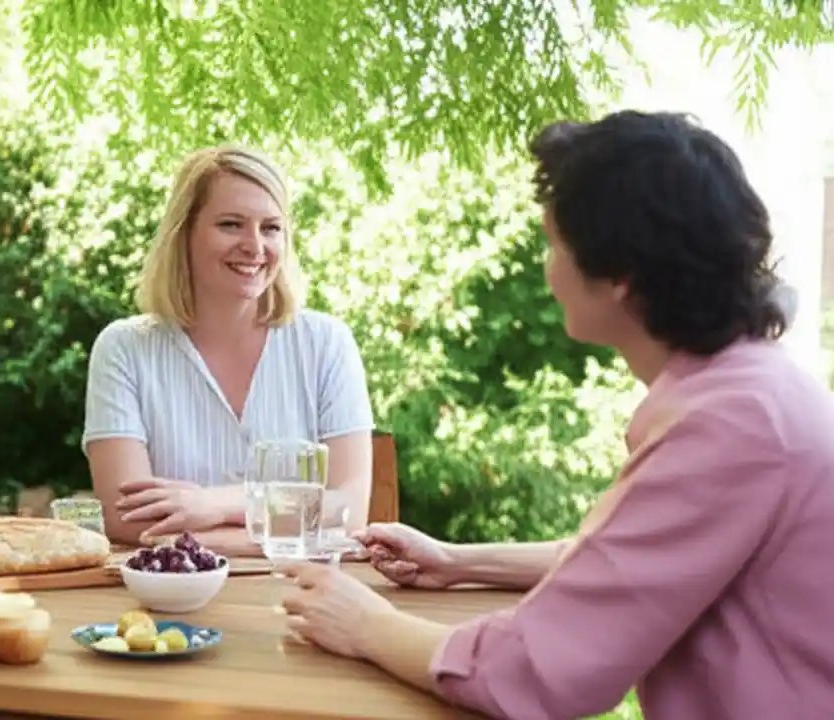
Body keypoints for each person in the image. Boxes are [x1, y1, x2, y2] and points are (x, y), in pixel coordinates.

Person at [277, 110, 834, 719]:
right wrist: (457, 562)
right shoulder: (751, 391)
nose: (547, 268)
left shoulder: (733, 424)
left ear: (619, 275)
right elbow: (628, 564)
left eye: (555, 244)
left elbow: (535, 672)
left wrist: (366, 624)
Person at [82, 145, 375, 554]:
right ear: (183, 233)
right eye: (231, 224)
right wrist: (294, 529)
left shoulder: (327, 343)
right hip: (176, 593)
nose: (254, 246)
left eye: (270, 228)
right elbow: (129, 521)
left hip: (302, 590)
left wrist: (214, 505)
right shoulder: (124, 349)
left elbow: (347, 511)